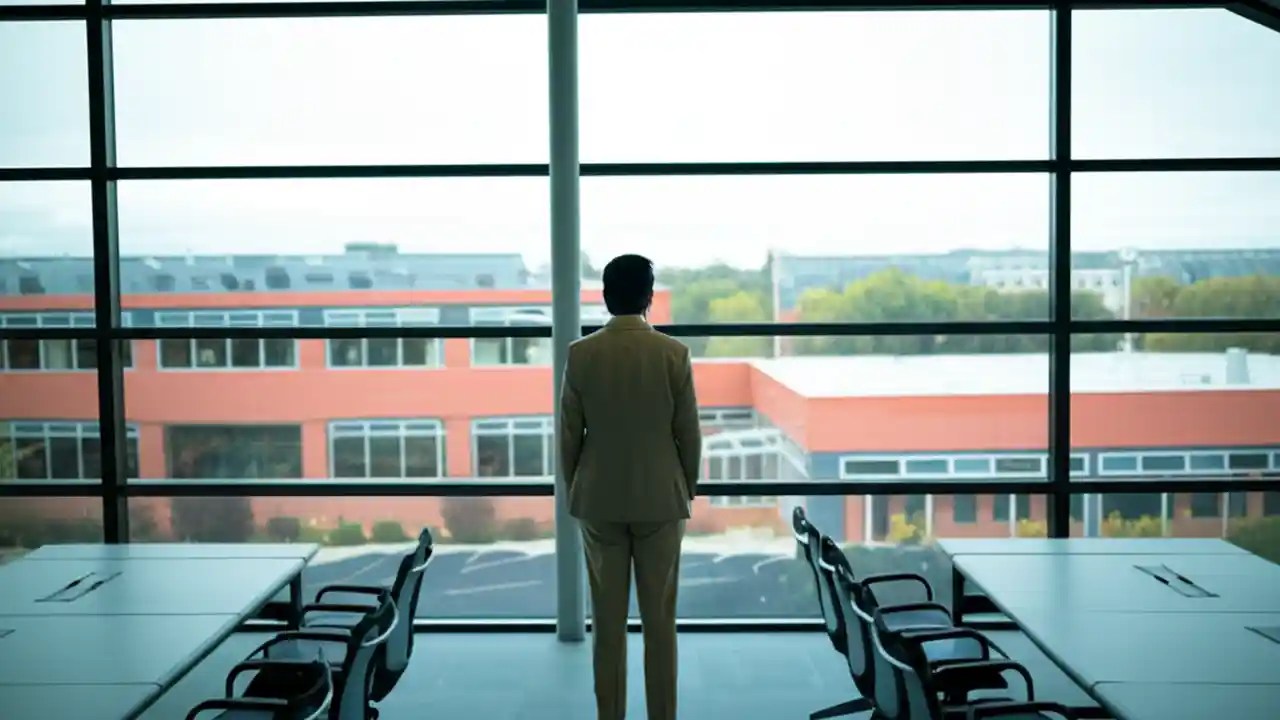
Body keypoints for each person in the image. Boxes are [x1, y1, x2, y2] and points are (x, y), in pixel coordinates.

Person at [559, 254, 701, 720]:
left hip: (599, 499)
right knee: (660, 623)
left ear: (605, 296)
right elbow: (689, 433)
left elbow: (568, 435)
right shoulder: (672, 353)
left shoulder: (581, 354)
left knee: (608, 623)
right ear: (649, 297)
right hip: (661, 498)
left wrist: (576, 487)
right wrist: (687, 487)